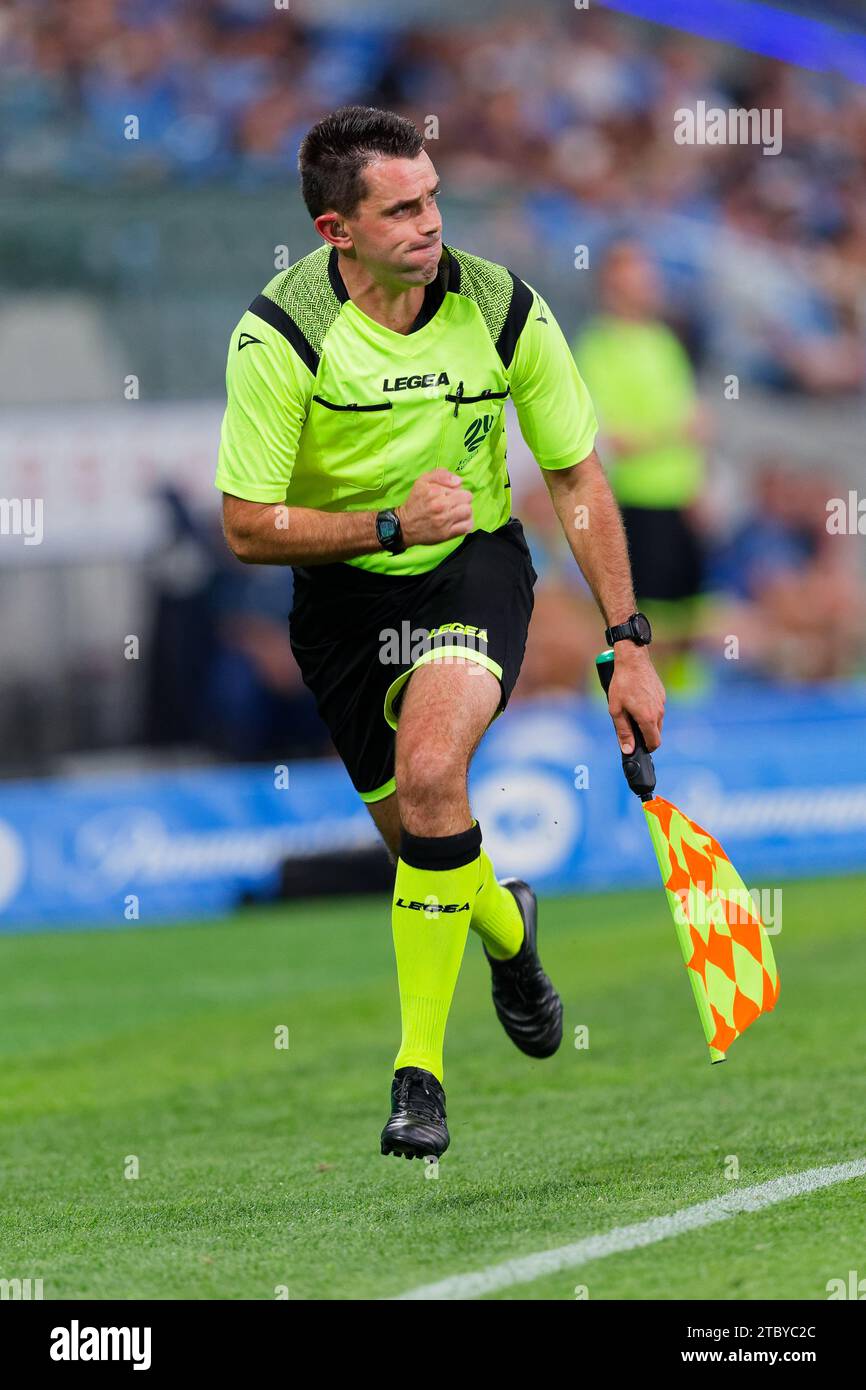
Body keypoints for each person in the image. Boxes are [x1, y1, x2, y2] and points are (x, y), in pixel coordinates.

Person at [215, 106, 665, 1161]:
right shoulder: (278, 336)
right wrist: (380, 523)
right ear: (337, 232)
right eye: (403, 208)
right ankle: (508, 927)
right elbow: (244, 524)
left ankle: (417, 1077)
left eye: (433, 197)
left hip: (471, 569)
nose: (432, 223)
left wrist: (624, 641)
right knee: (427, 842)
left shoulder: (502, 306)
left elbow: (573, 473)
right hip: (337, 602)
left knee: (429, 776)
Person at [573, 242, 709, 688]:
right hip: (632, 503)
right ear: (612, 283)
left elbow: (695, 426)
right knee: (641, 625)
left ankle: (690, 714)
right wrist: (672, 433)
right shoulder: (596, 348)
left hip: (677, 502)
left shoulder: (664, 341)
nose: (650, 283)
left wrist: (697, 488)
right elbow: (610, 440)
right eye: (638, 273)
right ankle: (622, 709)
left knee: (691, 619)